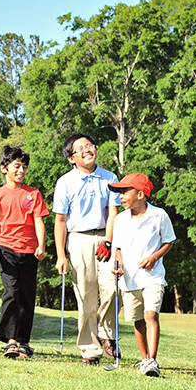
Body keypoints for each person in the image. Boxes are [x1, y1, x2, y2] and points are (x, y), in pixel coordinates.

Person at [52, 133, 121, 363]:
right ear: (72, 158)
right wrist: (61, 254)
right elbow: (60, 221)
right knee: (85, 296)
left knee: (113, 287)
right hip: (78, 239)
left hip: (104, 236)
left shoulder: (109, 177)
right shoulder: (65, 182)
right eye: (80, 148)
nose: (87, 150)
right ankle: (90, 350)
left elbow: (113, 214)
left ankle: (106, 334)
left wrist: (109, 241)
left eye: (89, 145)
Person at [0, 145, 48, 359]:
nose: (21, 170)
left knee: (27, 296)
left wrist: (41, 246)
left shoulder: (33, 194)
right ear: (4, 168)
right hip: (6, 249)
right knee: (11, 292)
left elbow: (39, 222)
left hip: (30, 251)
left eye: (24, 167)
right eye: (17, 166)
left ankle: (24, 342)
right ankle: (11, 341)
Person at [108, 172, 176, 376]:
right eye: (119, 192)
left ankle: (153, 361)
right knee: (138, 320)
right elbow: (118, 248)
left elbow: (168, 241)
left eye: (124, 191)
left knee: (150, 314)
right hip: (129, 279)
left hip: (153, 276)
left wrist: (154, 258)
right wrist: (116, 264)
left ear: (140, 194)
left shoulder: (159, 215)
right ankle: (144, 359)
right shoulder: (120, 220)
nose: (121, 196)